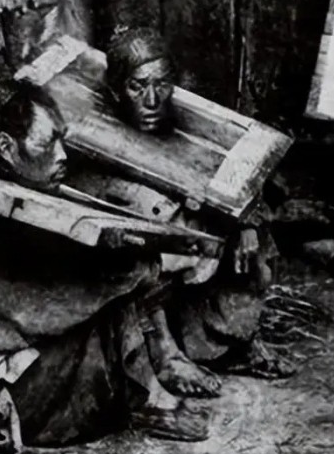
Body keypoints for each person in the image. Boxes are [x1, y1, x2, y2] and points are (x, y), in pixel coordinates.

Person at [0, 77, 209, 454]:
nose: (62, 155)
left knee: (116, 281)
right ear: (7, 148)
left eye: (62, 140)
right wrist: (134, 270)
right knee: (106, 309)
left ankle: (152, 386)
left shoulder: (28, 195)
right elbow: (37, 304)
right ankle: (148, 400)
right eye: (47, 144)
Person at [70, 26, 292, 398]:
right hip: (152, 255)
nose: (153, 99)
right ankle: (164, 352)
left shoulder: (178, 126)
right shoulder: (91, 138)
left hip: (193, 245)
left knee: (254, 228)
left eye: (162, 84)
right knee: (149, 221)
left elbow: (236, 175)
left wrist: (246, 220)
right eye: (137, 87)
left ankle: (234, 340)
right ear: (115, 90)